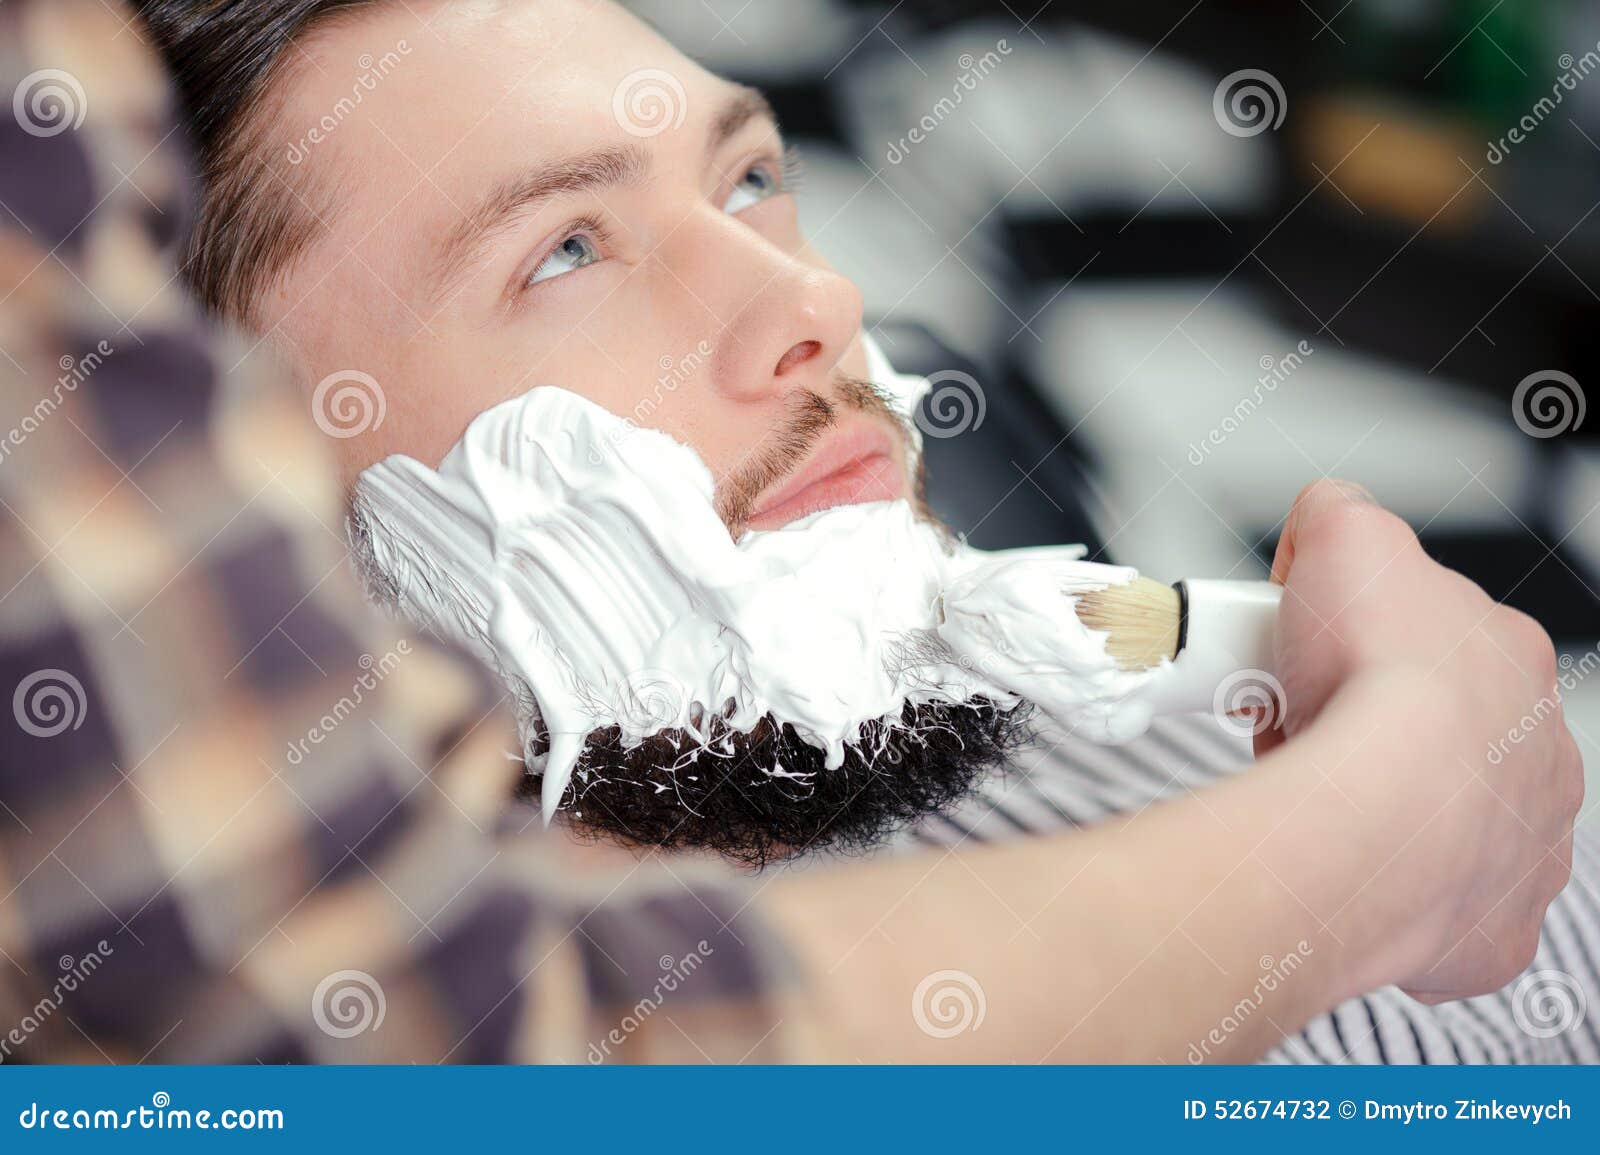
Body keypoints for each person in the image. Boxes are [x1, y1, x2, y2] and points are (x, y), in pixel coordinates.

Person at [0, 0, 1592, 1064]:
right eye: (565, 252)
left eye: (752, 175)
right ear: (237, 503)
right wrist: (1376, 845)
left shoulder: (1323, 778)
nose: (817, 305)